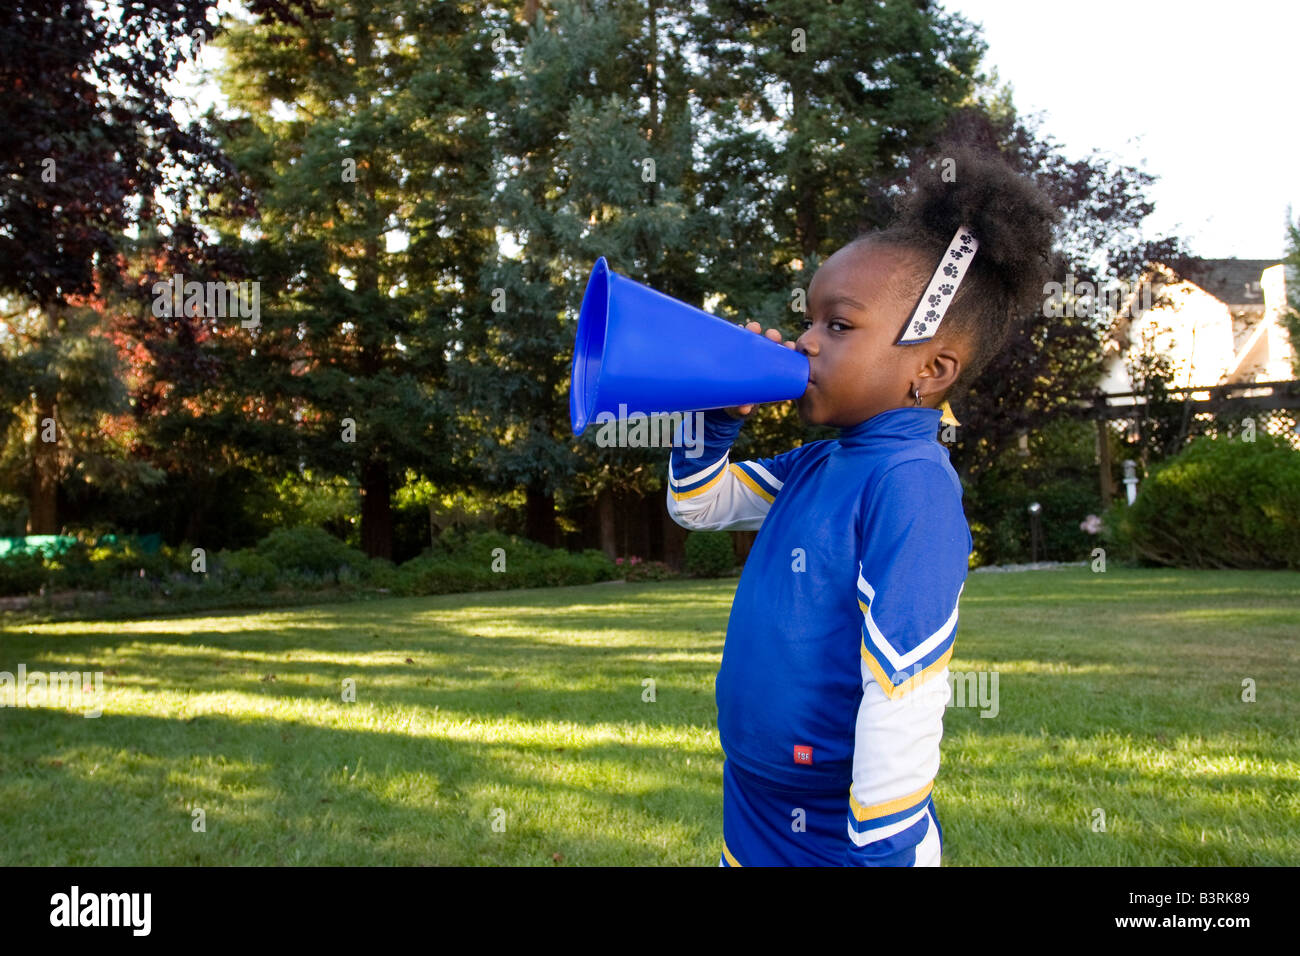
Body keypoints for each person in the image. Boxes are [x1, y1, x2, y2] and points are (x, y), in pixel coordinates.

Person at [665, 147, 1058, 866]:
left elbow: (903, 678)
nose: (807, 341)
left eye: (839, 326)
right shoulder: (821, 460)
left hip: (841, 832)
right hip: (753, 795)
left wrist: (882, 848)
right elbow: (700, 505)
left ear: (930, 370)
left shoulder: (912, 482)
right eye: (809, 321)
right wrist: (713, 419)